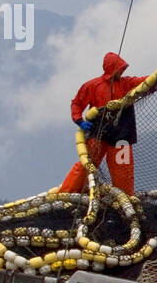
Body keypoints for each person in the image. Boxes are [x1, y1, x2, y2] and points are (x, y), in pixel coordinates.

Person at [59, 52, 148, 196]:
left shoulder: (126, 83)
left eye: (122, 69)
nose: (121, 71)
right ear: (113, 69)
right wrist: (79, 121)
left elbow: (145, 81)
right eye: (119, 69)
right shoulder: (93, 85)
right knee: (87, 164)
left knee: (123, 170)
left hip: (121, 137)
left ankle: (124, 200)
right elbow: (77, 103)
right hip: (98, 134)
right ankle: (67, 193)